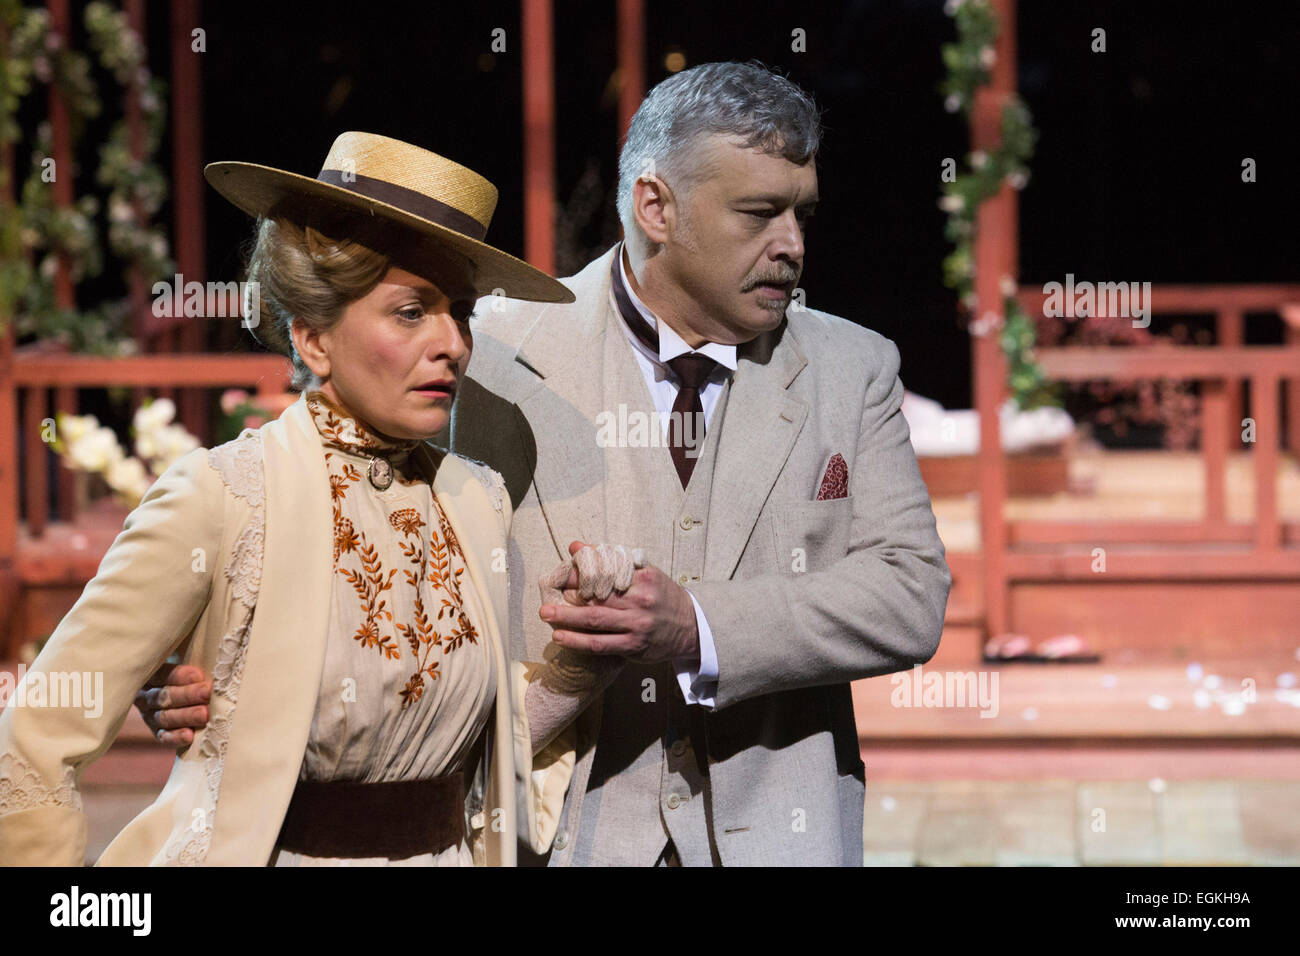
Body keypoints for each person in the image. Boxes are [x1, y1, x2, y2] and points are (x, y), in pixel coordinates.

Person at [144, 61, 952, 866]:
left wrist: (697, 627)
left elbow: (910, 594)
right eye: (760, 213)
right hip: (549, 838)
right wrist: (220, 664)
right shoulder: (482, 353)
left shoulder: (853, 367)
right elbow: (354, 536)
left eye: (802, 215)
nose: (792, 247)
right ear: (655, 206)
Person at [0, 132, 618, 866]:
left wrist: (577, 663)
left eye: (461, 311)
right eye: (412, 311)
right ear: (313, 339)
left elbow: (466, 744)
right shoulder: (224, 494)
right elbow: (32, 744)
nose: (452, 343)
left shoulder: (476, 497)